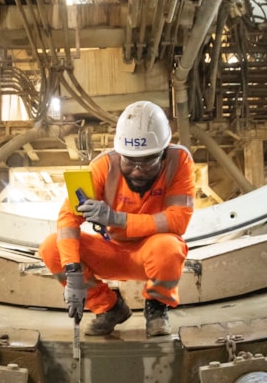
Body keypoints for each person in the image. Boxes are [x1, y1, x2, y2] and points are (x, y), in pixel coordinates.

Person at [39, 100, 195, 337]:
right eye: (130, 161)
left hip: (152, 253)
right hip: (110, 251)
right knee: (52, 247)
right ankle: (109, 308)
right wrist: (72, 273)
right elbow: (68, 218)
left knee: (169, 247)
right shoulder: (101, 167)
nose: (137, 170)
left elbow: (178, 221)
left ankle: (157, 307)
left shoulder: (179, 161)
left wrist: (117, 219)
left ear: (163, 154)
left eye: (147, 162)